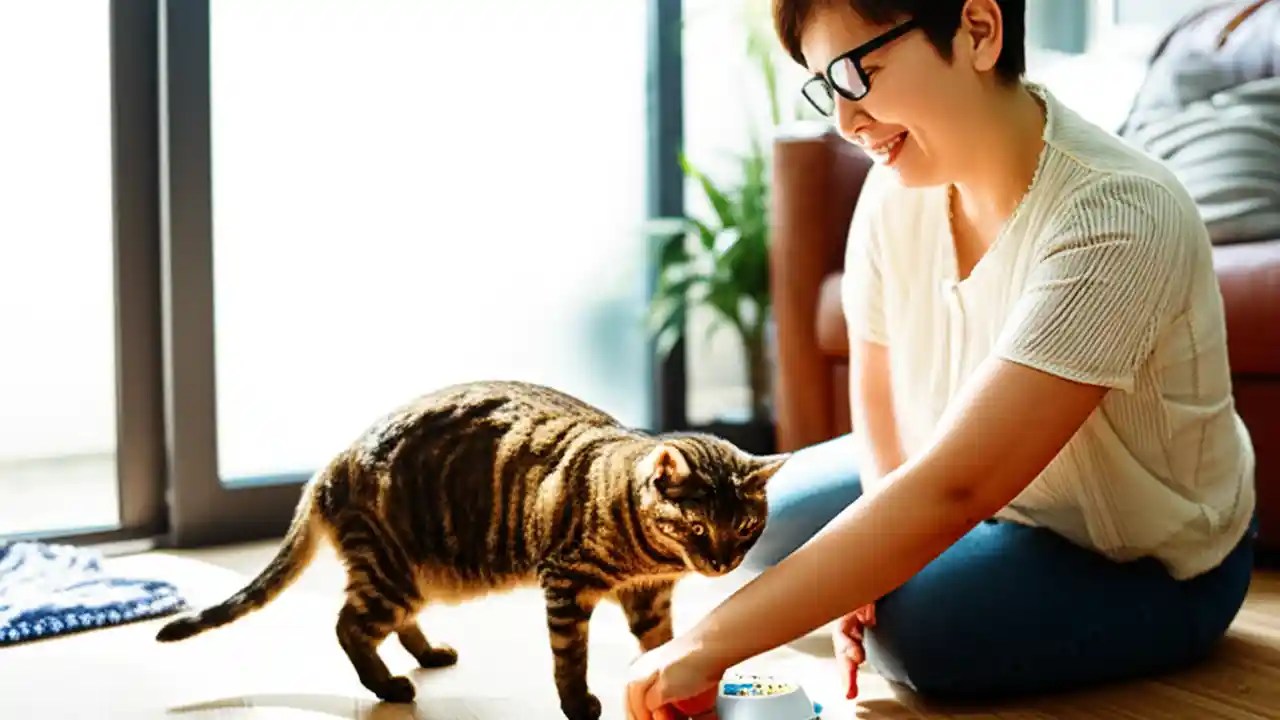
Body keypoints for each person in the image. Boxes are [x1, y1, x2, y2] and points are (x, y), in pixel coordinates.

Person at [624, 1, 1259, 717]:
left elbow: (958, 488)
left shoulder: (1119, 216)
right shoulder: (896, 190)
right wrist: (867, 562)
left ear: (980, 31)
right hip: (980, 486)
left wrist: (706, 645)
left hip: (1143, 559)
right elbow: (878, 394)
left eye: (855, 73)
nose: (844, 121)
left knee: (916, 630)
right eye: (821, 84)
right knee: (759, 522)